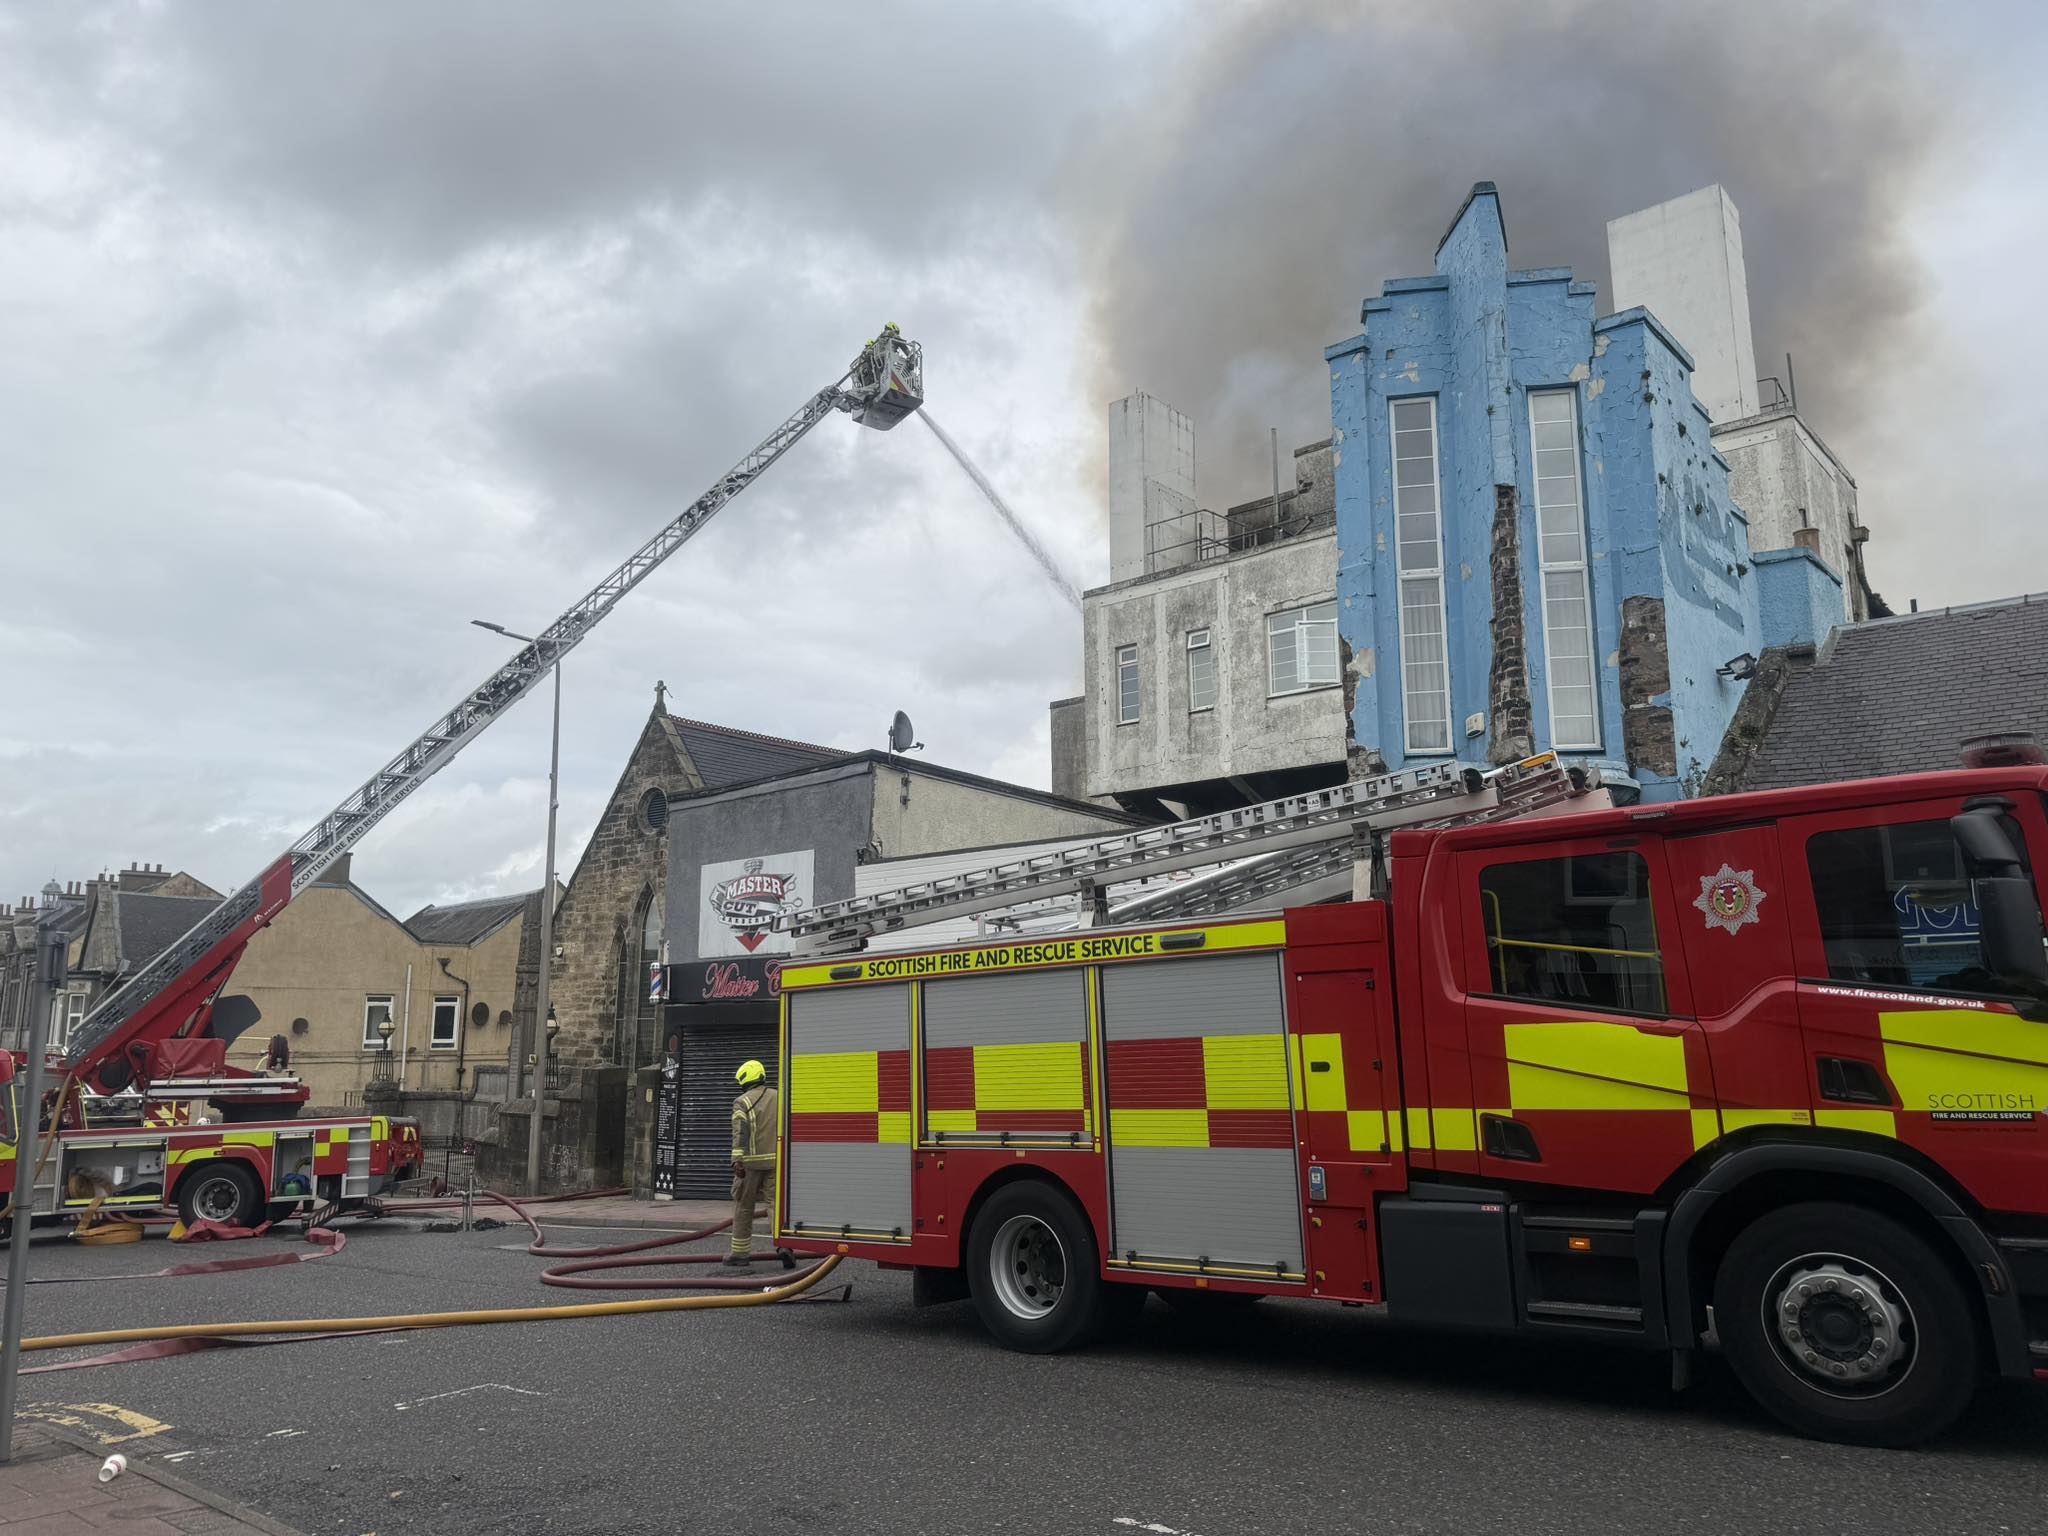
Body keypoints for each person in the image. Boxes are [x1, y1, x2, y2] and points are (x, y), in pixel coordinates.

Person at [725, 1059, 777, 1270]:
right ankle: (784, 1247)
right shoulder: (779, 1096)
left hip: (750, 1166)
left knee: (744, 1207)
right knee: (775, 1206)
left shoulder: (742, 1102)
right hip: (776, 1162)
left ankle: (739, 1254)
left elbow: (740, 1133)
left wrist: (737, 1160)